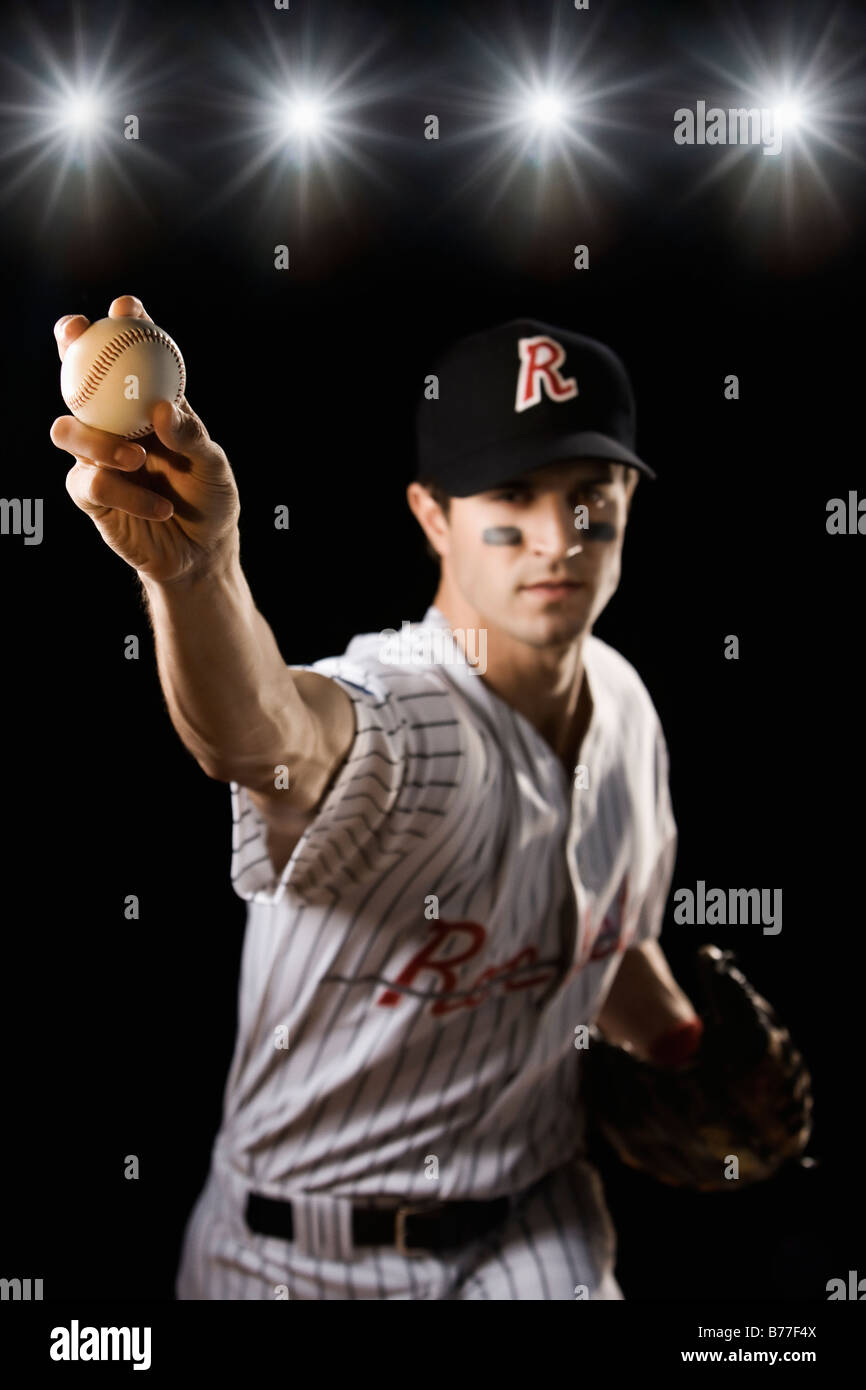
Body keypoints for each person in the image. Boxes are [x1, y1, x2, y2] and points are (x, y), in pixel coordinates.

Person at [51, 299, 702, 1300]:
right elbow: (269, 740)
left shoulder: (624, 702)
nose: (555, 537)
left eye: (588, 494)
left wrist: (676, 1040)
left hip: (532, 1229)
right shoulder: (410, 713)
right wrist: (199, 577)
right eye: (512, 494)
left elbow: (601, 941)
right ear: (432, 515)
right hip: (288, 1256)